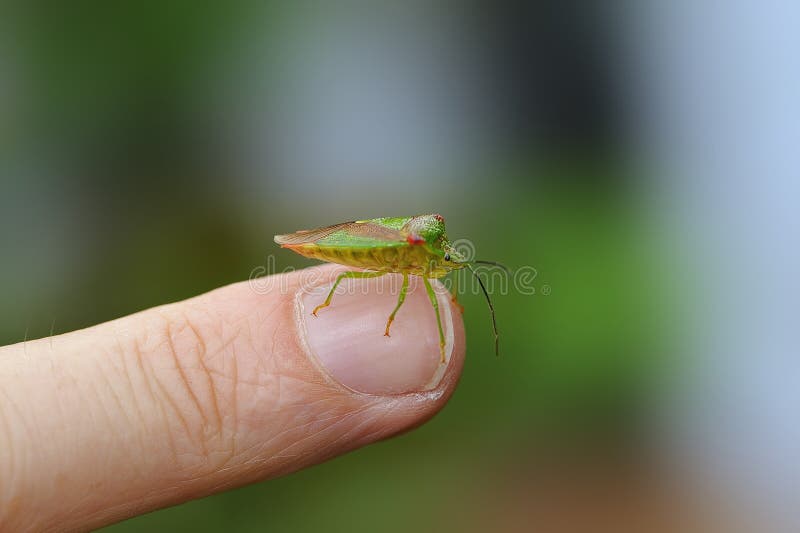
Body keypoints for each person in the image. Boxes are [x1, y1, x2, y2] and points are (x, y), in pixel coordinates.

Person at [0, 265, 465, 531]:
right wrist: (389, 321)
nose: (446, 267)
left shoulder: (426, 265)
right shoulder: (413, 259)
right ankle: (343, 308)